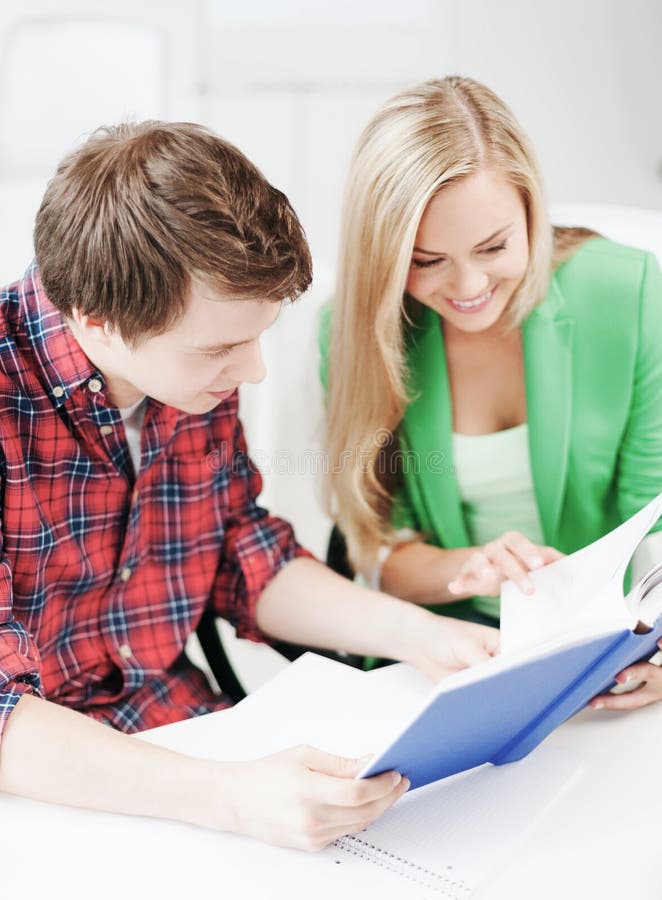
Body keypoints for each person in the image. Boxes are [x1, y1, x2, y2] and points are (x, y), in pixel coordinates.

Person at [0, 121, 499, 851]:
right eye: (223, 348)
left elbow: (240, 551)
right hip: (43, 788)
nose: (254, 370)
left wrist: (419, 634)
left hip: (185, 731)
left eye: (258, 336)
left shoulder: (185, 369)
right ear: (97, 322)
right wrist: (231, 799)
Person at [319, 75, 662, 711]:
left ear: (532, 211)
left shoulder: (629, 292)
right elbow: (381, 554)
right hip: (447, 648)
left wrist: (658, 646)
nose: (469, 286)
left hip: (611, 639)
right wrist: (472, 565)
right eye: (427, 261)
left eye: (494, 246)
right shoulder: (358, 332)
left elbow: (656, 520)